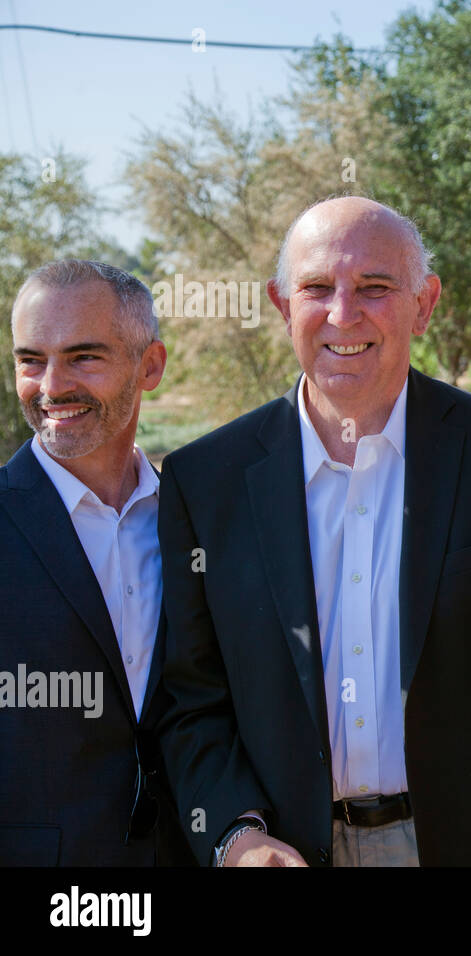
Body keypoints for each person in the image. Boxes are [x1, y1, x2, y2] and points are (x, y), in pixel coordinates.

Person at [157, 197, 471, 866]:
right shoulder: (204, 482)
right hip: (289, 850)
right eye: (317, 288)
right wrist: (237, 835)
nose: (342, 313)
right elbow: (191, 702)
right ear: (282, 304)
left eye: (374, 288)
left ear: (424, 302)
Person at [1, 260, 191, 865]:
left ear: (150, 365)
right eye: (31, 359)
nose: (52, 386)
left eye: (84, 356)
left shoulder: (195, 519)